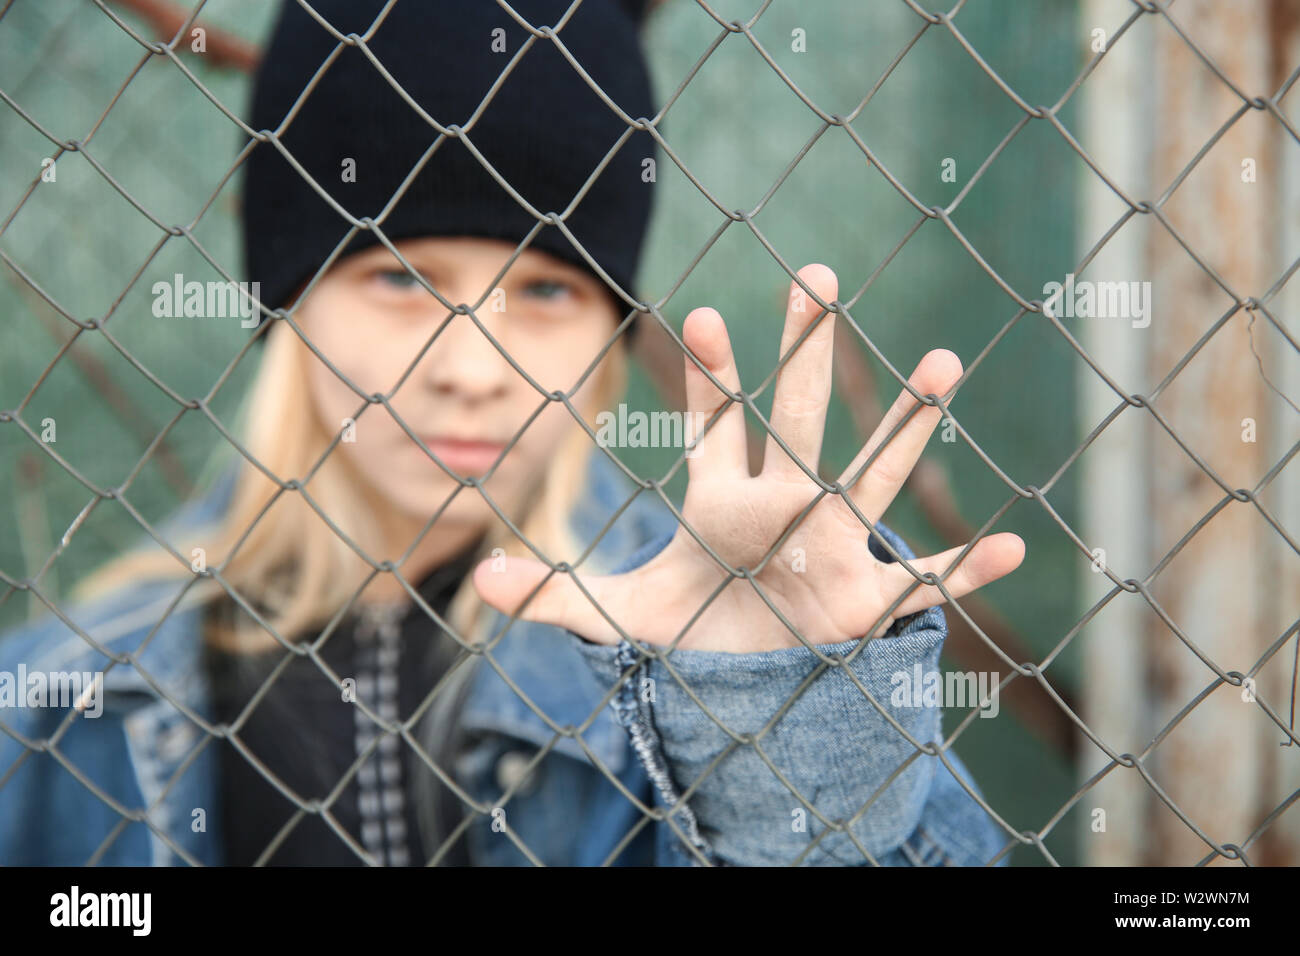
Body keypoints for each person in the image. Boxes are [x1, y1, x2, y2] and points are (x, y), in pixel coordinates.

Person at [0, 0, 1025, 866]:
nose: (471, 368)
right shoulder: (59, 706)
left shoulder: (723, 646)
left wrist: (787, 750)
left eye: (543, 288)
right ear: (289, 305)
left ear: (609, 337)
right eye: (401, 278)